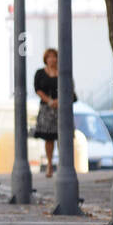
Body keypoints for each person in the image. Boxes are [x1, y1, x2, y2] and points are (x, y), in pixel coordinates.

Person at [32, 48, 74, 177]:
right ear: (46, 59)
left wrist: (60, 101)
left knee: (63, 137)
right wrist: (50, 101)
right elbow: (37, 89)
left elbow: (70, 88)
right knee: (49, 138)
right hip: (47, 109)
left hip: (62, 108)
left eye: (54, 56)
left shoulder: (64, 73)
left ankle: (63, 164)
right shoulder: (40, 73)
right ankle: (50, 164)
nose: (52, 59)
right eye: (49, 57)